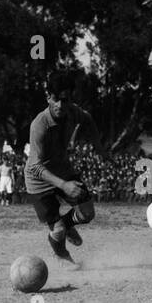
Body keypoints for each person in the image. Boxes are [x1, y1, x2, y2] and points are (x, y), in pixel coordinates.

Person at [26, 73, 102, 268]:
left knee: (87, 213)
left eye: (64, 99)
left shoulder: (73, 112)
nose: (60, 104)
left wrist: (98, 146)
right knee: (57, 230)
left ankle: (67, 226)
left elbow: (88, 119)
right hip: (39, 181)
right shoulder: (39, 125)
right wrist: (64, 185)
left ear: (70, 99)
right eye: (55, 99)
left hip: (63, 171)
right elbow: (35, 166)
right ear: (48, 97)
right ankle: (62, 256)